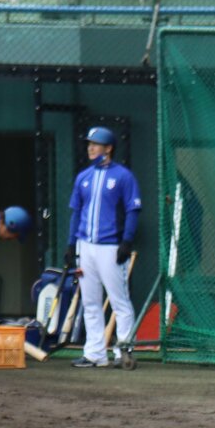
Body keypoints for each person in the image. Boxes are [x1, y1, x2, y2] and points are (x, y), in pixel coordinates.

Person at [67, 126, 141, 369]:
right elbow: (76, 212)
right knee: (90, 301)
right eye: (89, 143)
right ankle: (95, 354)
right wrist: (71, 244)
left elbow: (132, 210)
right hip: (85, 246)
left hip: (111, 246)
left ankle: (124, 353)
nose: (90, 147)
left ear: (108, 148)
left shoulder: (123, 176)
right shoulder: (83, 177)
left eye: (95, 144)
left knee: (120, 301)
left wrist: (126, 241)